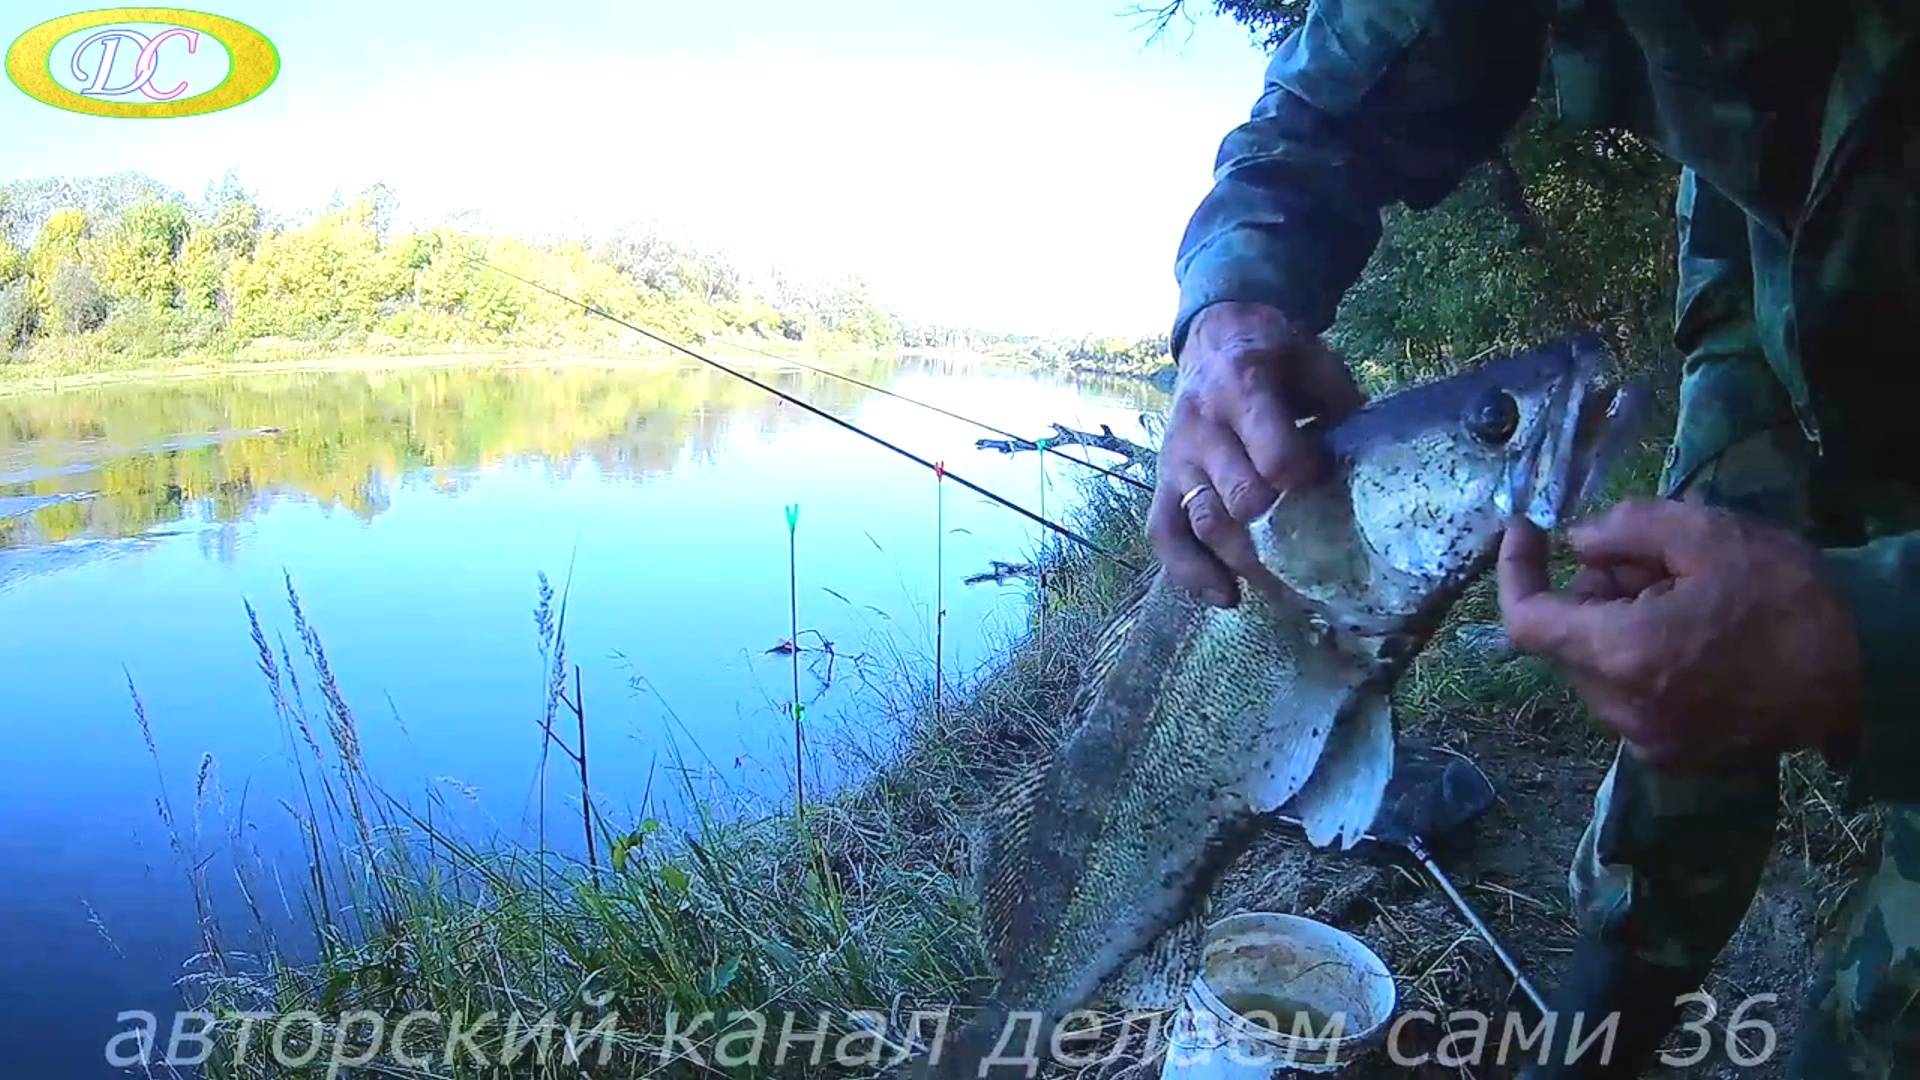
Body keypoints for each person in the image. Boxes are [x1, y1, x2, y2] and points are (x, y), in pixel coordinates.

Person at [1159, 1, 1920, 1075]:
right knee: (1674, 735)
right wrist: (1228, 303)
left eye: (1495, 429)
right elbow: (1325, 105)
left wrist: (1869, 638)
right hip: (1768, 314)